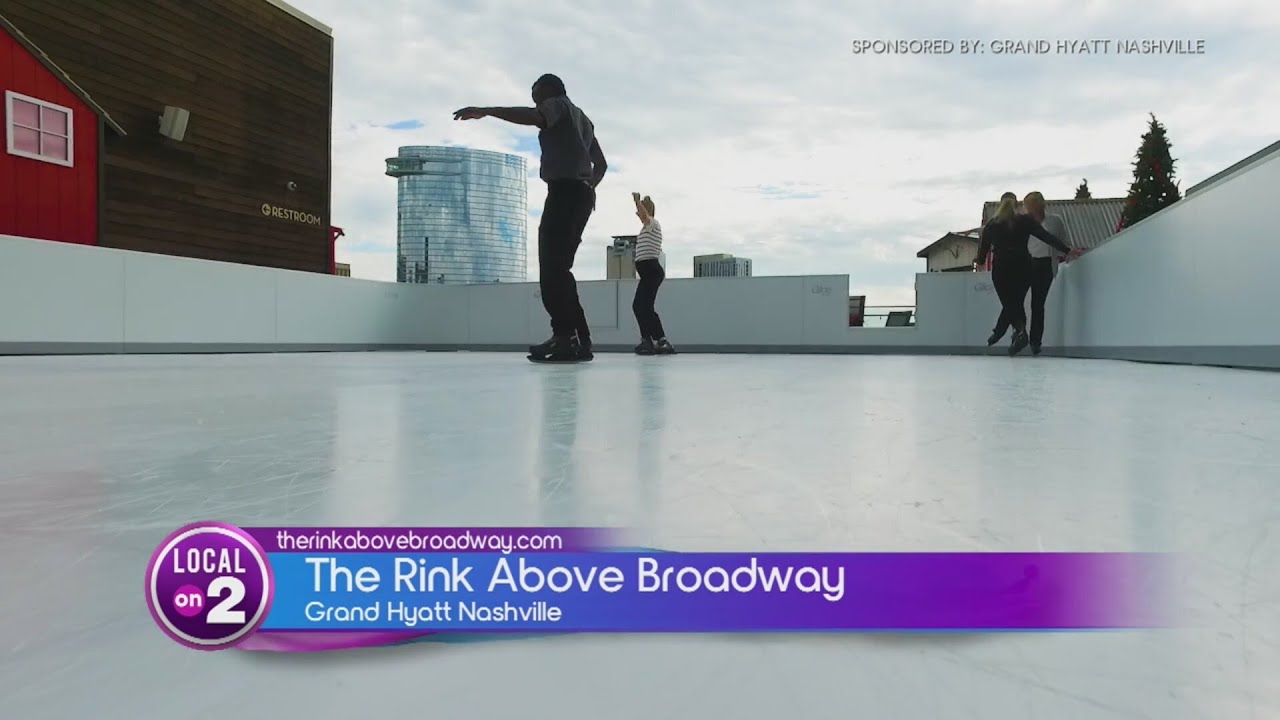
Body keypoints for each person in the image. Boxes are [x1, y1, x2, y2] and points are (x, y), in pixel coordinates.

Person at [454, 74, 607, 362]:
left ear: (547, 91)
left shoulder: (557, 106)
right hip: (580, 194)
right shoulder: (584, 118)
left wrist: (488, 111)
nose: (534, 100)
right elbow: (601, 163)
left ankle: (565, 338)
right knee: (561, 269)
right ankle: (578, 338)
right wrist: (589, 185)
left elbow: (535, 117)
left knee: (551, 269)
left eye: (535, 94)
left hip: (564, 192)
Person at [975, 193, 1078, 356]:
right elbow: (1046, 236)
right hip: (1024, 266)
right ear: (1017, 206)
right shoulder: (1025, 221)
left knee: (1010, 302)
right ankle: (1014, 333)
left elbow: (983, 251)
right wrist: (1068, 250)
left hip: (1002, 267)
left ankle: (1018, 330)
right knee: (1016, 301)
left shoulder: (992, 225)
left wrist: (979, 262)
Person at [1022, 191, 1070, 355]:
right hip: (1028, 262)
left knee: (1038, 304)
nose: (1032, 210)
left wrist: (1068, 253)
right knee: (1017, 302)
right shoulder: (1025, 222)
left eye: (1034, 206)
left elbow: (1062, 240)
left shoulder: (1055, 220)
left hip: (1046, 264)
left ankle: (1035, 342)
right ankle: (1019, 335)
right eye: (1030, 207)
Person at [630, 192, 676, 355]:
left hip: (651, 270)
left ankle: (661, 340)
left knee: (645, 307)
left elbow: (645, 216)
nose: (637, 213)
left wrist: (637, 201)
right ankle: (647, 340)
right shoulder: (647, 227)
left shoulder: (652, 223)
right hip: (648, 272)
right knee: (639, 306)